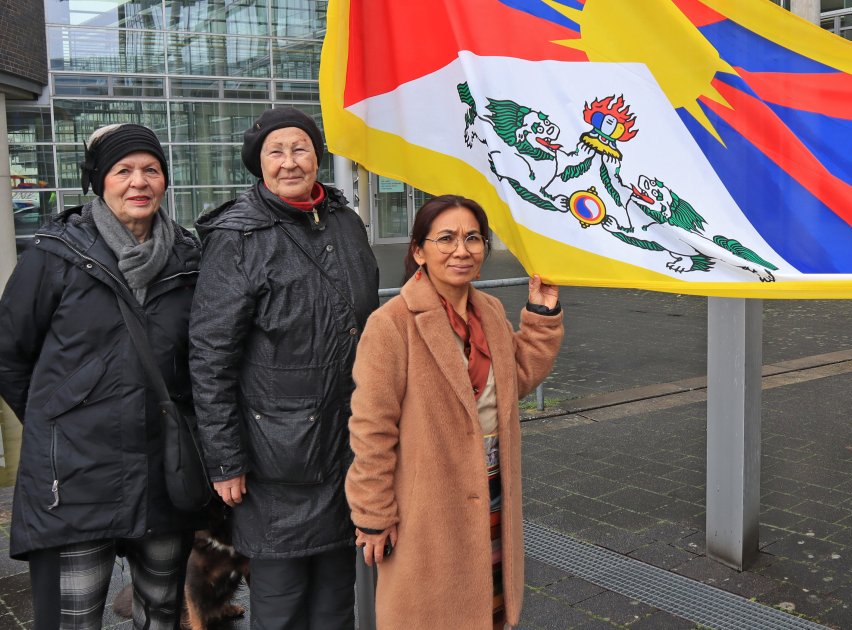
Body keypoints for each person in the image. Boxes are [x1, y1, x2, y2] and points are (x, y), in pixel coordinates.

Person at [0, 123, 200, 629]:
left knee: (162, 614)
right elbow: (9, 353)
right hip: (74, 477)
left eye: (151, 170)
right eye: (123, 170)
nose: (139, 182)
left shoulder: (188, 258)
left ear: (165, 179)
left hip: (162, 474)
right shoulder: (55, 254)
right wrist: (57, 416)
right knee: (75, 620)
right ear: (99, 181)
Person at [189, 107, 379, 630]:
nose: (289, 162)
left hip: (347, 443)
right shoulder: (238, 237)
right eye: (276, 152)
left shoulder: (344, 222)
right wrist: (225, 460)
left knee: (337, 601)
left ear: (317, 157)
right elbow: (210, 356)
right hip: (274, 457)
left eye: (300, 149)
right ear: (259, 164)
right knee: (281, 603)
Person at [345, 195, 563, 629]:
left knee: (489, 608)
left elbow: (516, 377)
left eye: (472, 238)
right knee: (432, 612)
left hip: (493, 489)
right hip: (428, 504)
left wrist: (541, 314)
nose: (461, 250)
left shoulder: (491, 311)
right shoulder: (392, 324)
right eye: (445, 238)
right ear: (419, 251)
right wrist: (373, 514)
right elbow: (371, 429)